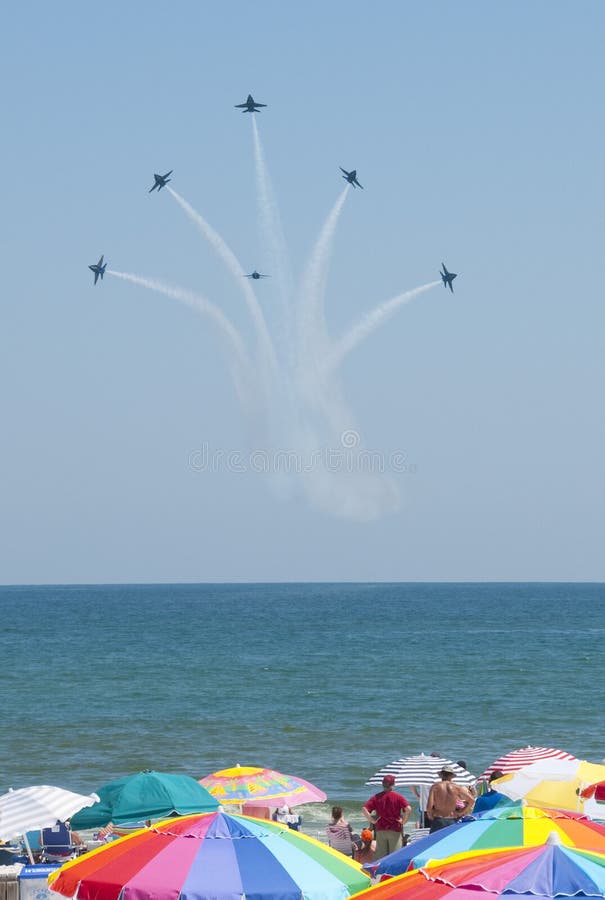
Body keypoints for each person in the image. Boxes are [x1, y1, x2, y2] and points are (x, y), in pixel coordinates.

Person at [362, 774, 411, 860]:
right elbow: (408, 809)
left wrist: (372, 821)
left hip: (381, 829)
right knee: (395, 856)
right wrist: (404, 821)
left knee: (381, 856)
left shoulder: (376, 797)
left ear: (383, 785)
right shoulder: (398, 797)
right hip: (395, 828)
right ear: (393, 784)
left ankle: (380, 868)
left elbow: (364, 809)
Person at [425, 766, 475, 833]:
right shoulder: (456, 787)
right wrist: (461, 812)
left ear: (441, 775)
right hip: (451, 819)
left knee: (435, 839)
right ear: (451, 776)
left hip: (438, 819)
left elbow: (429, 807)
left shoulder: (435, 787)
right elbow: (472, 800)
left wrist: (430, 815)